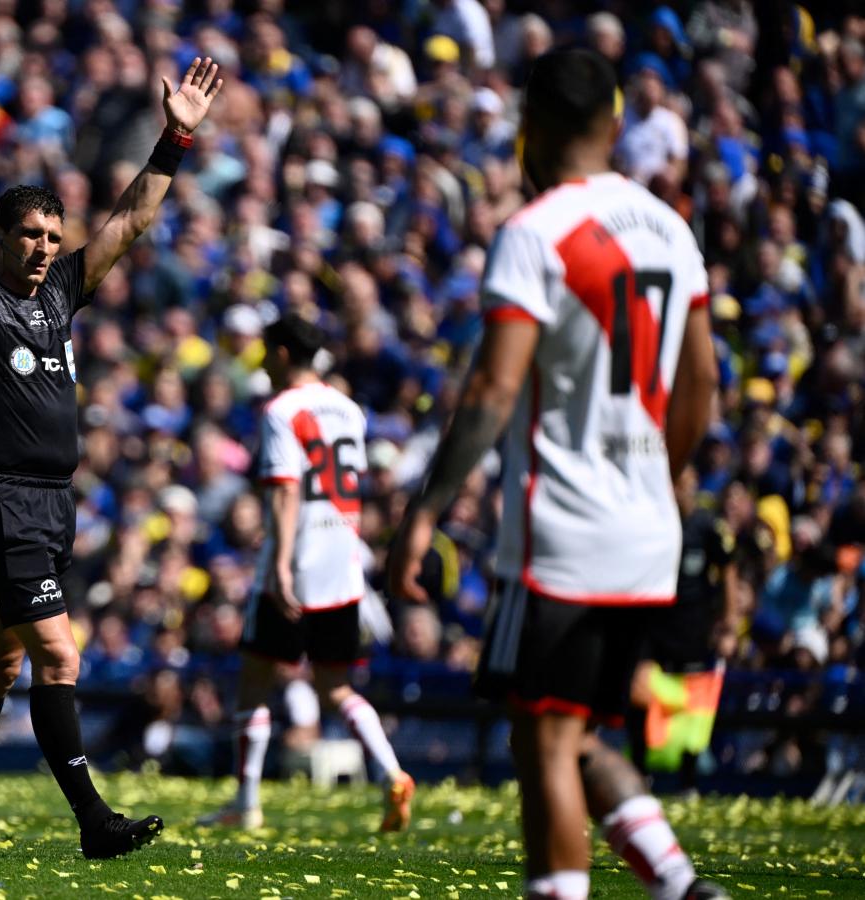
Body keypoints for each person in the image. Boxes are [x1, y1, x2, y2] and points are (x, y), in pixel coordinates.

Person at [386, 49, 728, 900]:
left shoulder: (536, 232)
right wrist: (661, 479)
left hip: (563, 535)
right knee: (571, 735)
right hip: (648, 529)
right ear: (615, 124)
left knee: (541, 741)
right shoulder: (670, 229)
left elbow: (497, 387)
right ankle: (682, 887)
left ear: (527, 129)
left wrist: (426, 510)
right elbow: (703, 387)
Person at [0, 57, 223, 859]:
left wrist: (177, 134)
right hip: (5, 501)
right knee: (59, 654)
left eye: (52, 236)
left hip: (52, 506)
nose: (45, 248)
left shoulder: (58, 295)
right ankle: (93, 820)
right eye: (30, 236)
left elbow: (132, 220)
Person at [200, 313, 415, 832]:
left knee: (254, 681)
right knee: (337, 687)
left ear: (279, 354)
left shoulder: (281, 410)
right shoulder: (348, 409)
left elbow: (287, 488)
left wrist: (277, 565)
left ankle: (246, 801)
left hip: (295, 562)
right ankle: (391, 772)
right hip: (342, 564)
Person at [627, 465, 740, 791]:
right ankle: (639, 768)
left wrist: (729, 622)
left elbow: (728, 570)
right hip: (653, 623)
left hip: (693, 626)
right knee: (641, 691)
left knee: (693, 706)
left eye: (684, 484)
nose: (678, 491)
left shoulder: (707, 528)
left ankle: (687, 780)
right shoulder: (653, 523)